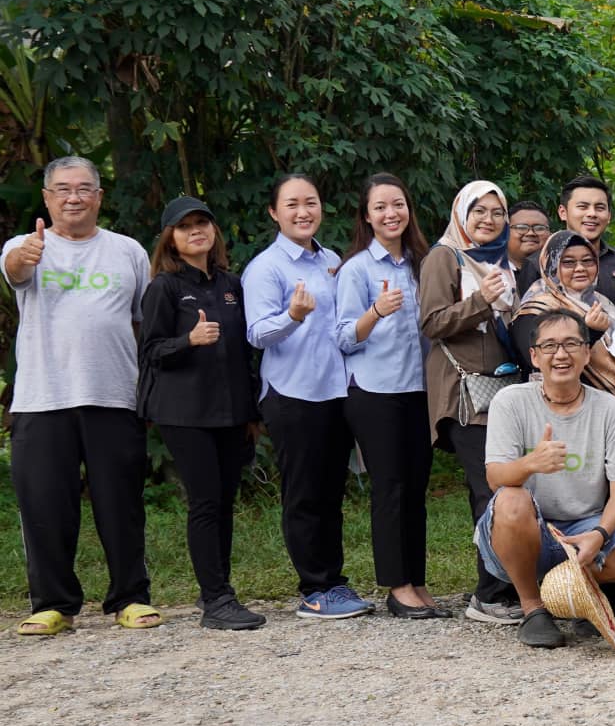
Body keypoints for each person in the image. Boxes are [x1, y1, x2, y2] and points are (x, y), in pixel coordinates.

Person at [6, 158, 152, 637]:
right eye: (63, 189)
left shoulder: (128, 251)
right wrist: (24, 257)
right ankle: (53, 604)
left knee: (121, 503)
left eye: (84, 188)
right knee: (45, 505)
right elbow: (14, 271)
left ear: (99, 197)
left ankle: (130, 598)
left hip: (112, 395)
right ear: (47, 198)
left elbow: (141, 320)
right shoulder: (25, 247)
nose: (74, 197)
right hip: (41, 398)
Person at [478, 310, 615, 649]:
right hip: (529, 527)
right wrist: (531, 463)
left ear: (587, 353)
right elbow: (495, 477)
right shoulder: (510, 401)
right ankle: (533, 608)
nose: (561, 355)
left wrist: (600, 534)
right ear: (534, 356)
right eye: (550, 346)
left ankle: (573, 594)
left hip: (585, 526)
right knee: (512, 498)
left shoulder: (611, 409)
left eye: (572, 344)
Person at [245, 173, 369, 621]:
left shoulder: (331, 260)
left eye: (311, 202)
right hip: (293, 394)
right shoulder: (266, 267)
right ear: (274, 213)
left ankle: (334, 581)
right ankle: (314, 588)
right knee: (304, 494)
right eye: (292, 204)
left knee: (330, 492)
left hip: (335, 392)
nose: (303, 212)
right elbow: (257, 334)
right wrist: (292, 316)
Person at [138, 196, 263, 630]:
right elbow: (150, 351)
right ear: (170, 239)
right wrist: (187, 340)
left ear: (214, 232)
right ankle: (217, 601)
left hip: (231, 412)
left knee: (223, 502)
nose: (196, 231)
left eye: (203, 223)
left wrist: (252, 412)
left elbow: (244, 355)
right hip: (184, 413)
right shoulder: (164, 287)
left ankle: (215, 587)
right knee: (206, 502)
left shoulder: (230, 284)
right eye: (185, 226)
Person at [334, 172, 446, 619]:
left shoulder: (423, 262)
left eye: (397, 204)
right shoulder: (357, 268)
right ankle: (397, 587)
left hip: (418, 390)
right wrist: (375, 312)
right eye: (380, 207)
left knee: (416, 487)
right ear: (367, 216)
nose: (390, 213)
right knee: (390, 488)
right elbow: (343, 338)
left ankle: (417, 581)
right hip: (374, 391)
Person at [420, 179, 525, 625]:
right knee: (492, 489)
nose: (488, 220)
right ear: (462, 215)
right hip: (465, 393)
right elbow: (432, 321)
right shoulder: (444, 257)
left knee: (496, 490)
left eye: (497, 212)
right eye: (479, 211)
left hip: (504, 389)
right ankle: (490, 595)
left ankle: (499, 585)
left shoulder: (504, 260)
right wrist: (481, 302)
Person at [513, 231, 615, 417]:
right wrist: (590, 331)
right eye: (568, 262)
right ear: (552, 266)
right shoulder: (536, 308)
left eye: (588, 261)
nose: (580, 268)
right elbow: (540, 360)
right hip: (570, 411)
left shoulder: (602, 303)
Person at [543, 175, 615, 306]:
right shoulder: (541, 263)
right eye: (583, 207)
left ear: (609, 216)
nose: (592, 214)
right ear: (563, 212)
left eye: (600, 208)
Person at [505, 199, 550, 272]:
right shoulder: (489, 271)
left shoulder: (561, 273)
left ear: (550, 234)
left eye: (539, 228)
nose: (531, 233)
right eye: (522, 227)